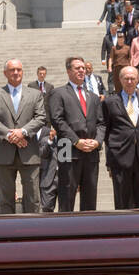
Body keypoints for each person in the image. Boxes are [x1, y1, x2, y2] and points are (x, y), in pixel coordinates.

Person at [0, 58, 46, 214]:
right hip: (4, 154)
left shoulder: (35, 94)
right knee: (4, 199)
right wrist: (10, 135)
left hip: (29, 153)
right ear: (5, 73)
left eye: (19, 69)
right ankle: (6, 234)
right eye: (12, 70)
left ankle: (34, 234)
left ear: (23, 72)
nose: (16, 72)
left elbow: (41, 117)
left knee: (33, 198)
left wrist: (23, 132)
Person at [48, 56, 105, 211]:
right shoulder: (58, 93)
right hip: (67, 148)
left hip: (91, 151)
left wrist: (98, 142)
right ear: (68, 71)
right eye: (77, 68)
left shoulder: (93, 97)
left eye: (83, 68)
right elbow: (57, 120)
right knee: (67, 194)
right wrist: (76, 141)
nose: (81, 70)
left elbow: (101, 124)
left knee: (90, 196)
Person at [102, 66, 139, 210]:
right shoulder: (109, 102)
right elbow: (106, 131)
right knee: (122, 201)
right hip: (120, 157)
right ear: (120, 80)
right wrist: (111, 155)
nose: (130, 81)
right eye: (126, 78)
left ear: (138, 79)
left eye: (133, 78)